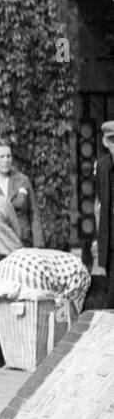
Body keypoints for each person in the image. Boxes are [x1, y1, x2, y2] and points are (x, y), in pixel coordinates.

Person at [0, 137, 41, 249]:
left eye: (8, 156)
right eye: (2, 156)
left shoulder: (22, 180)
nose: (6, 160)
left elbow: (34, 213)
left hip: (22, 244)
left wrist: (39, 246)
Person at [95, 121, 114, 305]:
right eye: (112, 140)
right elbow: (100, 201)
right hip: (110, 240)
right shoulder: (102, 166)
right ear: (105, 142)